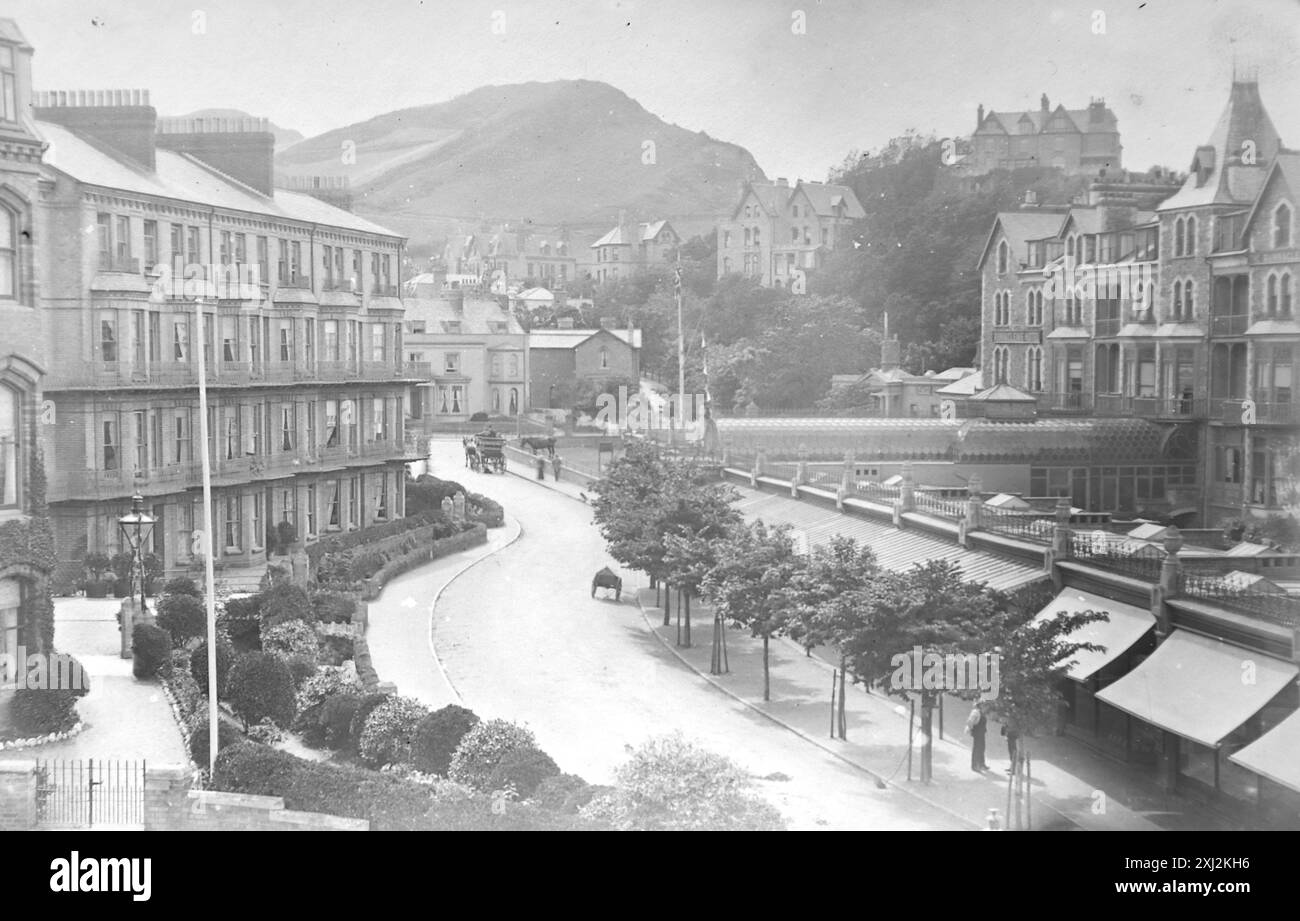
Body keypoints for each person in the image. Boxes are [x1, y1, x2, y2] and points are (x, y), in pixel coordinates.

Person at [966, 703, 988, 772]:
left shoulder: (982, 712)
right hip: (977, 732)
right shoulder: (976, 712)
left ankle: (981, 764)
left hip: (982, 733)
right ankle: (975, 765)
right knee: (977, 748)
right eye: (984, 705)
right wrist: (971, 730)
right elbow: (969, 722)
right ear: (980, 705)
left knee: (982, 747)